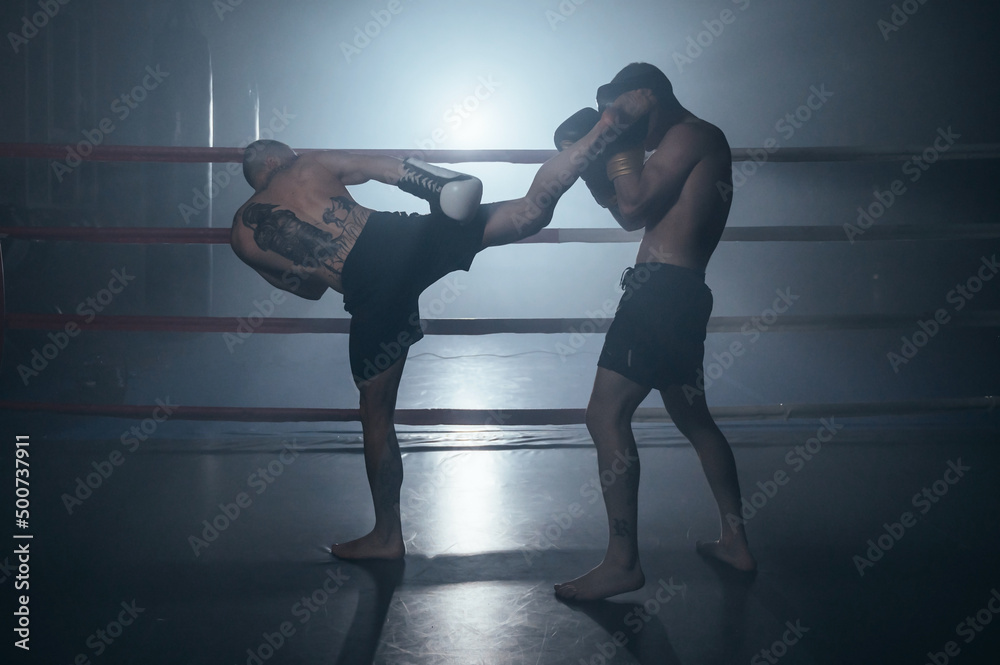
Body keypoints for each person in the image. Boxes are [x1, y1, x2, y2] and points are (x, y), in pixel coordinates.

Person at [230, 125, 618, 560]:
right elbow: (387, 170)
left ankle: (386, 537)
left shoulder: (241, 237)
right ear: (272, 159)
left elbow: (308, 290)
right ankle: (596, 136)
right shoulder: (310, 163)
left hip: (368, 288)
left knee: (375, 415)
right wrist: (439, 189)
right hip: (397, 239)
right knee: (529, 212)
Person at [554, 63, 757, 601]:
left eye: (623, 113)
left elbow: (638, 201)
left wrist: (618, 142)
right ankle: (735, 542)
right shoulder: (676, 142)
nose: (620, 126)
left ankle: (622, 563)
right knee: (693, 416)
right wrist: (602, 161)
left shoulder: (692, 134)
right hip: (677, 293)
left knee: (604, 414)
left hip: (661, 295)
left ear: (653, 98)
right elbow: (627, 213)